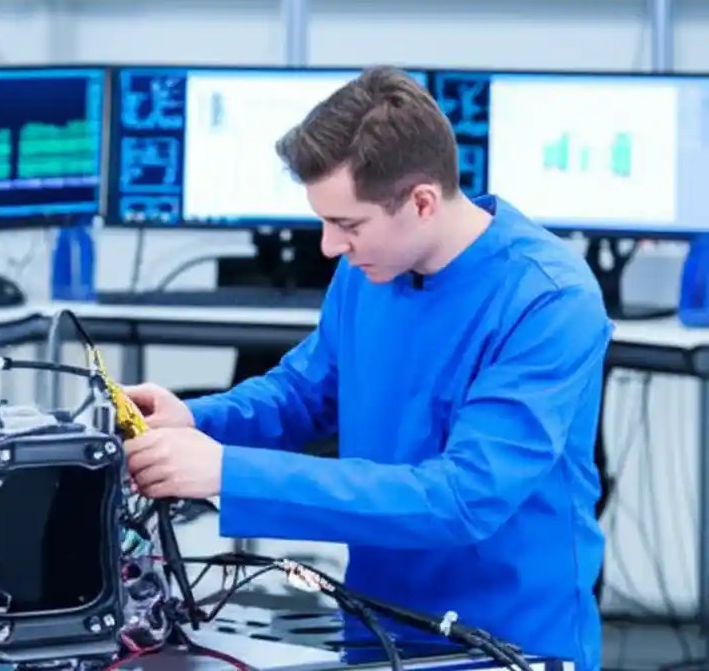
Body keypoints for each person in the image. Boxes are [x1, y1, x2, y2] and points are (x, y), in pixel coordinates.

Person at [123, 66, 609, 669]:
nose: (330, 247)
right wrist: (193, 420)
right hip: (378, 629)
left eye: (347, 225)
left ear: (422, 202)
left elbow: (464, 496)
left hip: (509, 642)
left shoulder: (548, 300)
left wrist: (227, 471)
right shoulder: (369, 268)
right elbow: (304, 392)